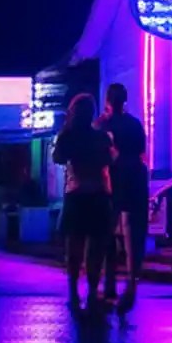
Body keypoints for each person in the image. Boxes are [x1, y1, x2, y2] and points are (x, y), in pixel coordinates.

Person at [52, 93, 114, 313]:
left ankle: (73, 291)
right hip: (97, 194)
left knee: (75, 248)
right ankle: (92, 290)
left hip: (76, 194)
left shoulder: (68, 137)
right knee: (95, 248)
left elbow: (57, 157)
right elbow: (109, 160)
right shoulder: (101, 137)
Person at [97, 83, 149, 315]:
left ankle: (109, 283)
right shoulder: (135, 124)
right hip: (136, 177)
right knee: (133, 235)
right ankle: (131, 284)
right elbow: (141, 149)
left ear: (108, 100)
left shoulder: (104, 124)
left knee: (107, 232)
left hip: (114, 178)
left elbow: (100, 151)